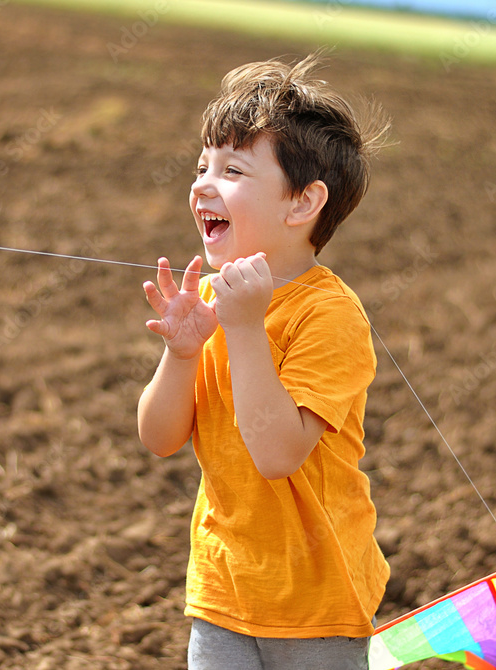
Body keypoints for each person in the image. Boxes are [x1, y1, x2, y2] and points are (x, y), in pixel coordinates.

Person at [137, 52, 390, 670]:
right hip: (224, 590)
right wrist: (181, 353)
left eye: (233, 170)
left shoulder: (328, 315)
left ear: (302, 204)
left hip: (317, 602)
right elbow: (159, 438)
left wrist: (245, 328)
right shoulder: (210, 299)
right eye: (203, 165)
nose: (202, 184)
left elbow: (277, 454)